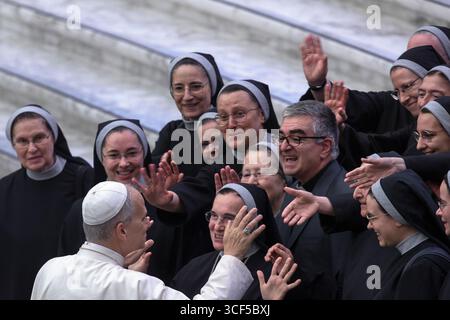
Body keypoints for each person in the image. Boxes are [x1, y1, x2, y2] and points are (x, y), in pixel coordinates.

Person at [31, 181, 267, 300]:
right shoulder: (135, 286)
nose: (148, 223)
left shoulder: (50, 269)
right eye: (143, 217)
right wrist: (233, 258)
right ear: (122, 231)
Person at [59, 119, 190, 283]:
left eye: (132, 153)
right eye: (114, 155)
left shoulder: (164, 208)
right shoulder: (82, 210)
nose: (124, 163)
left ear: (144, 153)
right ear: (102, 159)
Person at [0, 105, 93, 299]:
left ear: (54, 137)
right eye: (22, 141)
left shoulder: (83, 179)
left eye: (39, 138)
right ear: (13, 145)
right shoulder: (4, 190)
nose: (32, 148)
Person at [299, 26, 450, 134]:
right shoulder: (396, 100)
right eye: (411, 54)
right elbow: (355, 105)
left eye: (426, 55)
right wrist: (318, 83)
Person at [171, 183, 301, 299]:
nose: (216, 226)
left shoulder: (274, 272)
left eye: (229, 218)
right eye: (213, 216)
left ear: (252, 222)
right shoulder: (194, 267)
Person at [277, 100, 352, 299]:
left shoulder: (347, 198)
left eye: (296, 139)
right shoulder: (293, 189)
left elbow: (341, 282)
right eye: (281, 137)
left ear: (325, 147)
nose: (284, 147)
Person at [337, 45, 446, 169]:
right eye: (422, 94)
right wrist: (340, 128)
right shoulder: (415, 126)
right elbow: (380, 144)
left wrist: (404, 165)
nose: (403, 99)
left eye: (407, 86)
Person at [366, 170, 450, 299]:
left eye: (372, 217)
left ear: (396, 217)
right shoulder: (409, 257)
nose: (369, 225)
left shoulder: (425, 265)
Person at [152, 52, 224, 177]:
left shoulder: (226, 128)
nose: (187, 96)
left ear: (212, 88)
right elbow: (149, 169)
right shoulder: (171, 130)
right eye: (179, 88)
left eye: (196, 86)